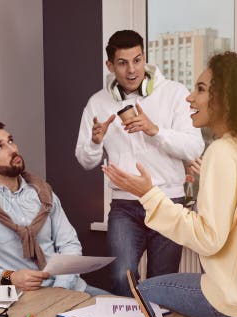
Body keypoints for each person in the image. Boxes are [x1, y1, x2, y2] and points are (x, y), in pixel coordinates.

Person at [103, 52, 237, 317]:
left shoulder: (223, 151)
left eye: (200, 89)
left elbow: (208, 239)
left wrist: (148, 194)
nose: (189, 98)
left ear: (227, 99)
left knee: (142, 291)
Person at [75, 30, 204, 296]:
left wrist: (155, 130)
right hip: (124, 206)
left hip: (168, 201)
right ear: (110, 65)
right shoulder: (97, 103)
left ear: (145, 57)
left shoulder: (174, 94)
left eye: (137, 59)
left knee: (162, 284)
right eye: (122, 63)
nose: (132, 70)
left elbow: (194, 147)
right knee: (122, 280)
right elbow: (85, 161)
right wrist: (96, 141)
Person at [0, 121, 107, 296]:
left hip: (70, 289)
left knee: (135, 314)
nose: (12, 149)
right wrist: (9, 277)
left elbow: (69, 244)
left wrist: (61, 288)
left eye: (10, 141)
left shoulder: (43, 192)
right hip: (22, 297)